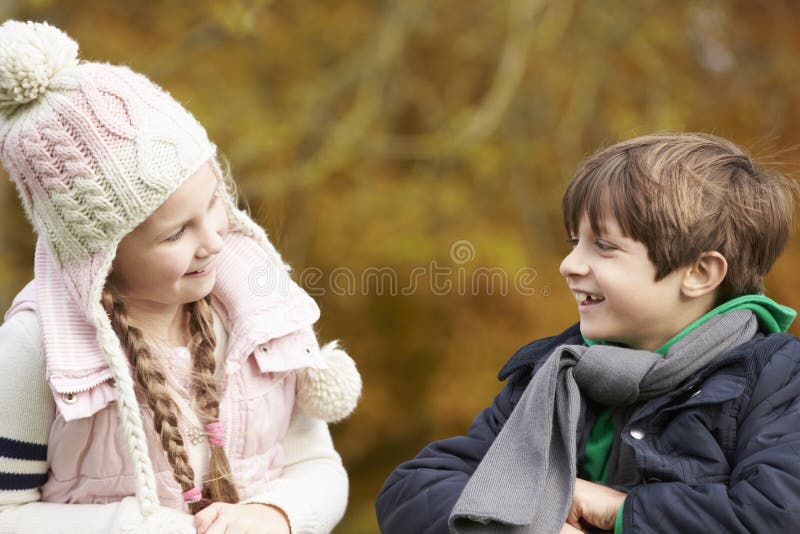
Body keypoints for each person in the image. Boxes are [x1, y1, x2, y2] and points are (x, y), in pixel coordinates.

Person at [0, 20, 361, 534]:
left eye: (215, 201)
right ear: (102, 257)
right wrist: (130, 527)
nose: (213, 240)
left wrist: (274, 515)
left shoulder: (255, 312)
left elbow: (319, 467)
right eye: (175, 234)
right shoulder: (38, 350)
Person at [375, 132, 800, 533]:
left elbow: (774, 514)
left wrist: (618, 509)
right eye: (574, 241)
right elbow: (414, 489)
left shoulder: (778, 379)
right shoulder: (555, 372)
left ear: (699, 272)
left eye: (604, 246)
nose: (569, 265)